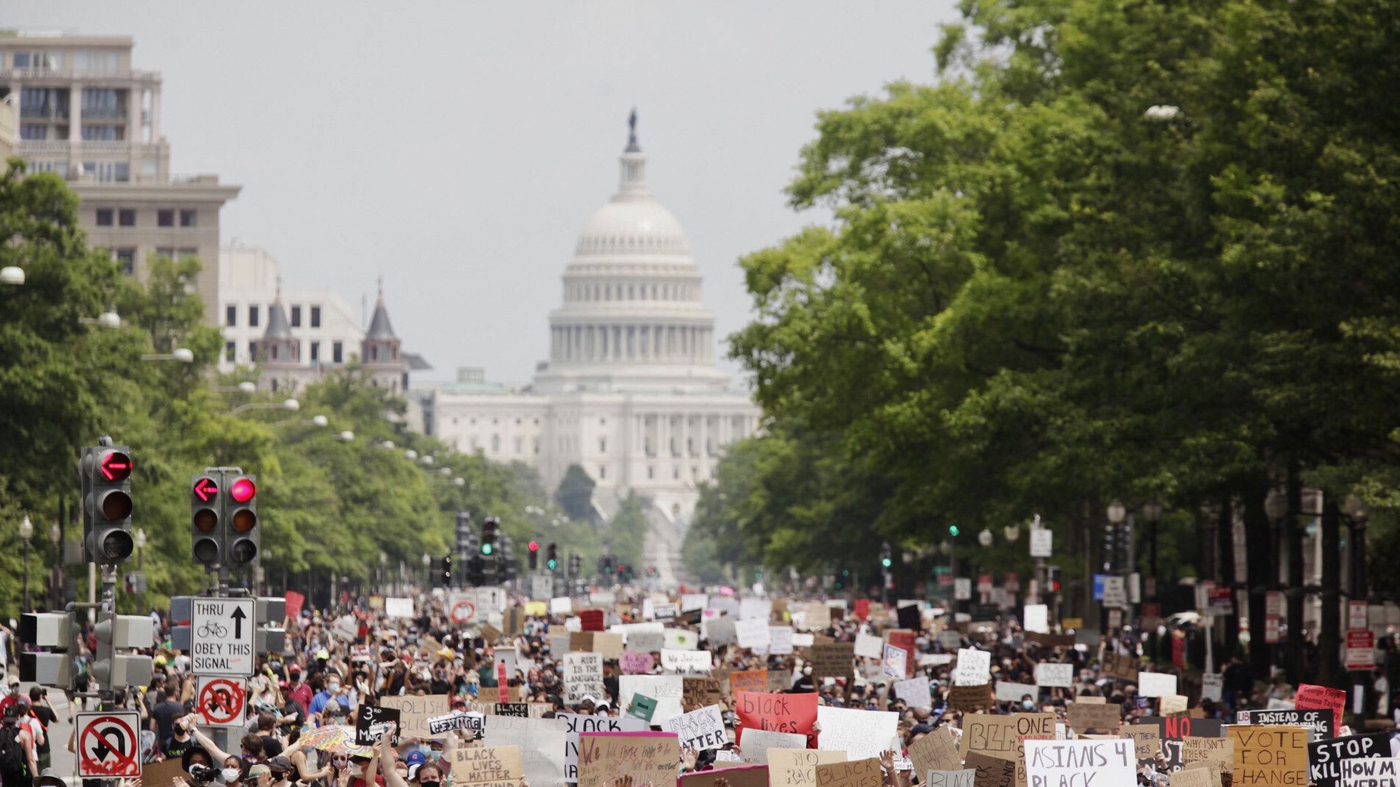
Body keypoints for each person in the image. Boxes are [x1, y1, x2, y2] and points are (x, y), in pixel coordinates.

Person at [0, 703, 38, 787]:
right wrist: (36, 779)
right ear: (18, 717)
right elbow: (30, 760)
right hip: (23, 778)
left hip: (7, 778)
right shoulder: (24, 735)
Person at [25, 689, 56, 772]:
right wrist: (48, 701)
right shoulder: (46, 710)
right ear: (40, 697)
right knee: (45, 774)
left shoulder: (27, 711)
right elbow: (57, 719)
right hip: (44, 746)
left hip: (29, 745)